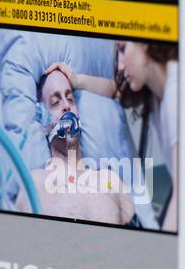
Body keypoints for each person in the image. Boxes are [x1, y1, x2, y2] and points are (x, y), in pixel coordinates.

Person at [43, 39, 178, 231]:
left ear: (145, 42)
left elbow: (184, 192)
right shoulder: (154, 91)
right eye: (56, 102)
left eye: (123, 49)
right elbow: (115, 90)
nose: (120, 66)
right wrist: (76, 80)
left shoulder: (176, 96)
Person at [22, 67, 135, 226]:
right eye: (55, 102)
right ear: (44, 124)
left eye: (70, 99)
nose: (66, 106)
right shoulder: (34, 184)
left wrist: (78, 79)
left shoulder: (110, 180)